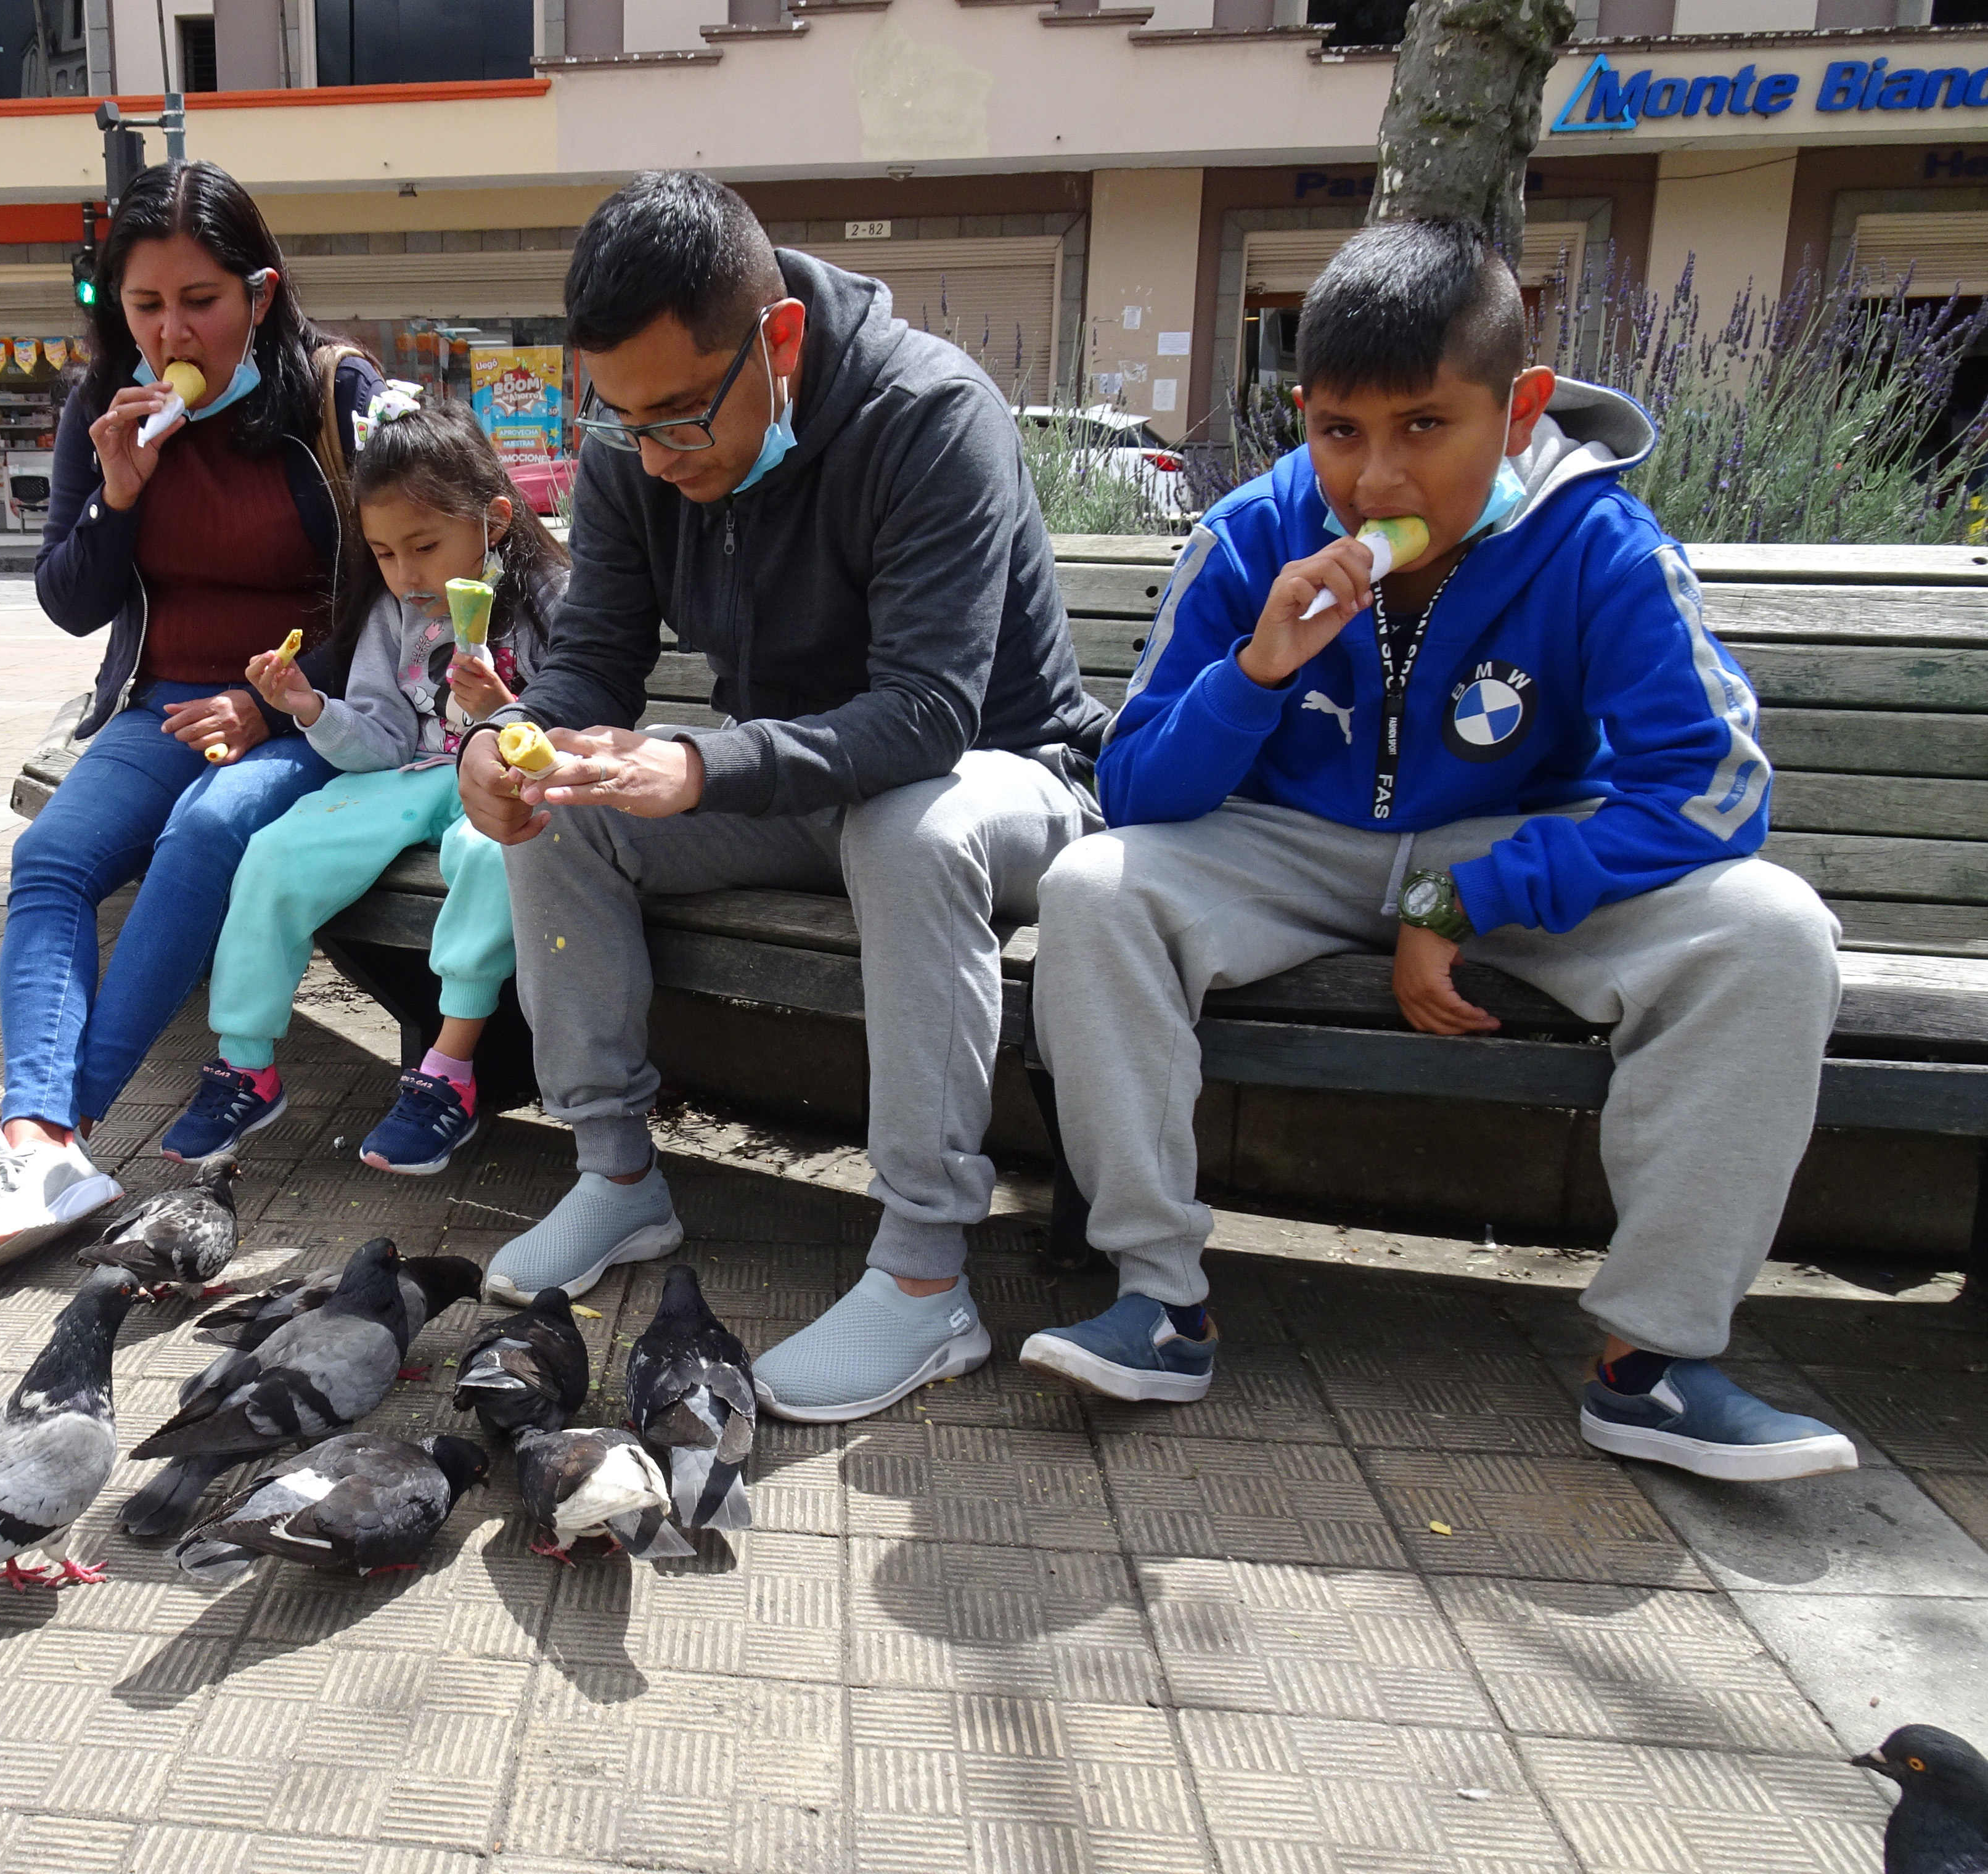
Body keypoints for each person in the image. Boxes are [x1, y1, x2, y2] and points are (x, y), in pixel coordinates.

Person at [1025, 218, 1857, 1483]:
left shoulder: (1601, 545)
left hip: (1509, 850)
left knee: (1774, 930)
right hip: (1289, 850)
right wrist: (1256, 674)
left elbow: (1711, 793)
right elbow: (1133, 789)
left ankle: (1654, 1363)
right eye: (1339, 431)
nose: (1376, 480)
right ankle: (1158, 1299)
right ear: (1300, 415)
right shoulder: (1252, 534)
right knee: (1092, 889)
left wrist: (1462, 893)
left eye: (1426, 426)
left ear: (1517, 410)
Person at [456, 170, 1109, 1423]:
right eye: (623, 422)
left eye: (681, 419)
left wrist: (703, 767)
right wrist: (509, 740)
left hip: (1002, 785)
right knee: (566, 803)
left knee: (911, 825)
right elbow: (593, 662)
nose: (655, 456)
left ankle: (925, 1276)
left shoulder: (931, 416)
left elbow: (928, 714)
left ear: (783, 341)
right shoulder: (636, 444)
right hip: (810, 793)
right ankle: (617, 1176)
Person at [0, 158, 383, 1276]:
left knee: (208, 830)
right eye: (146, 305)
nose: (173, 332)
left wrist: (270, 701)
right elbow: (70, 600)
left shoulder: (334, 396)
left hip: (308, 710)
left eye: (201, 301)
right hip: (164, 702)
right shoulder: (104, 403)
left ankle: (53, 1134)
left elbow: (397, 590)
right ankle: (38, 1132)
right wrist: (120, 495)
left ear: (260, 294)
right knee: (51, 860)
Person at [165, 391, 567, 1178]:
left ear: (493, 520)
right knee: (277, 850)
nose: (406, 575)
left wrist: (506, 713)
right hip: (411, 777)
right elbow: (381, 741)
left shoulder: (550, 595)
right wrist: (310, 707)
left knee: (492, 854)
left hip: (504, 782)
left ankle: (449, 1070)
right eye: (384, 553)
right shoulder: (393, 617)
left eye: (424, 546)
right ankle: (246, 1063)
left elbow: (578, 728)